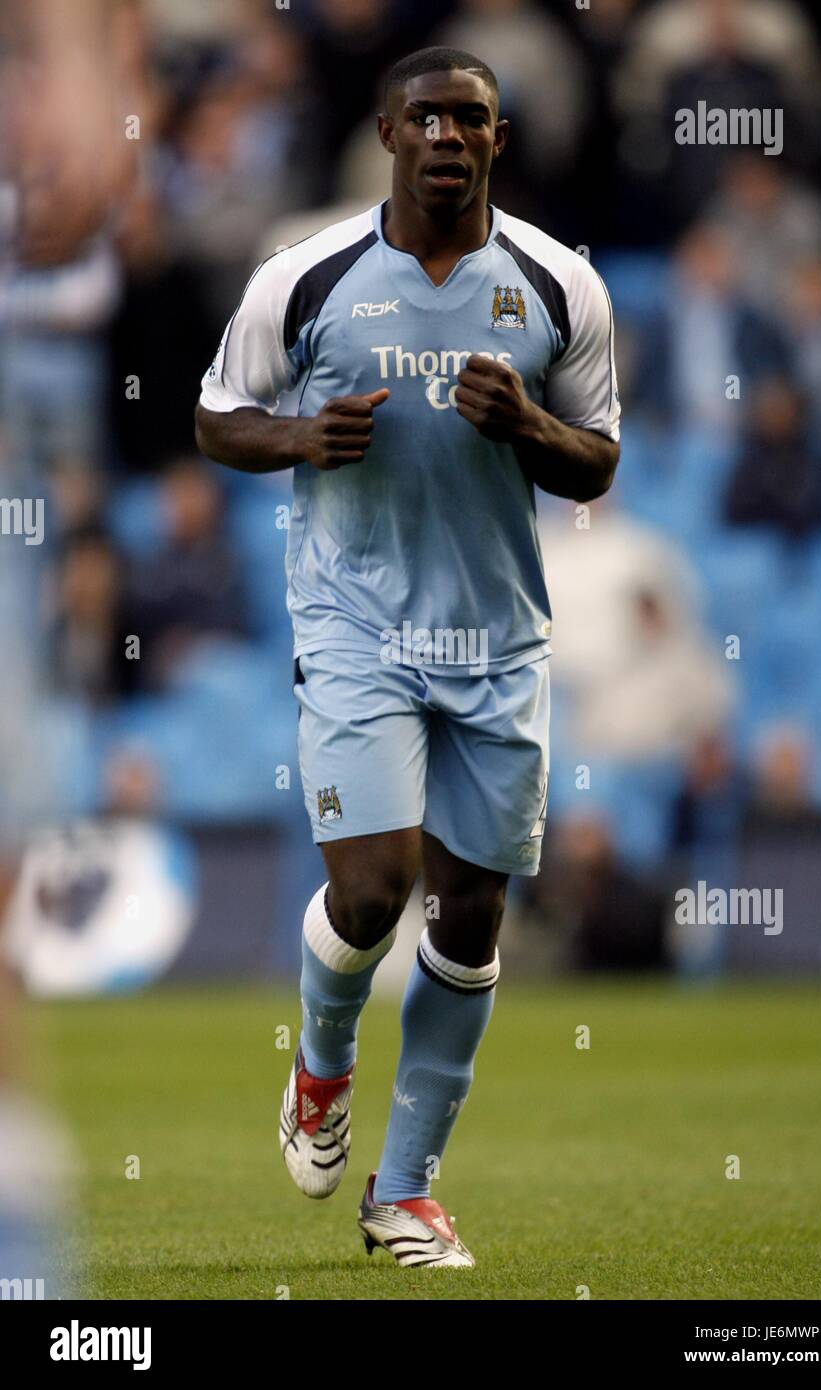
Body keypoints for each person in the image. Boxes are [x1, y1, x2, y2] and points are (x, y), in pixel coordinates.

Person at [195, 46, 620, 1269]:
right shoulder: (304, 275)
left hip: (496, 638)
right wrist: (295, 437)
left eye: (469, 119)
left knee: (474, 915)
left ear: (498, 139)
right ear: (386, 130)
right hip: (356, 627)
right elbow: (214, 413)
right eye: (424, 115)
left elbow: (595, 457)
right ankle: (320, 1072)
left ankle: (406, 1194)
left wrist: (525, 423)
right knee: (376, 888)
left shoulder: (557, 285)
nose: (445, 134)